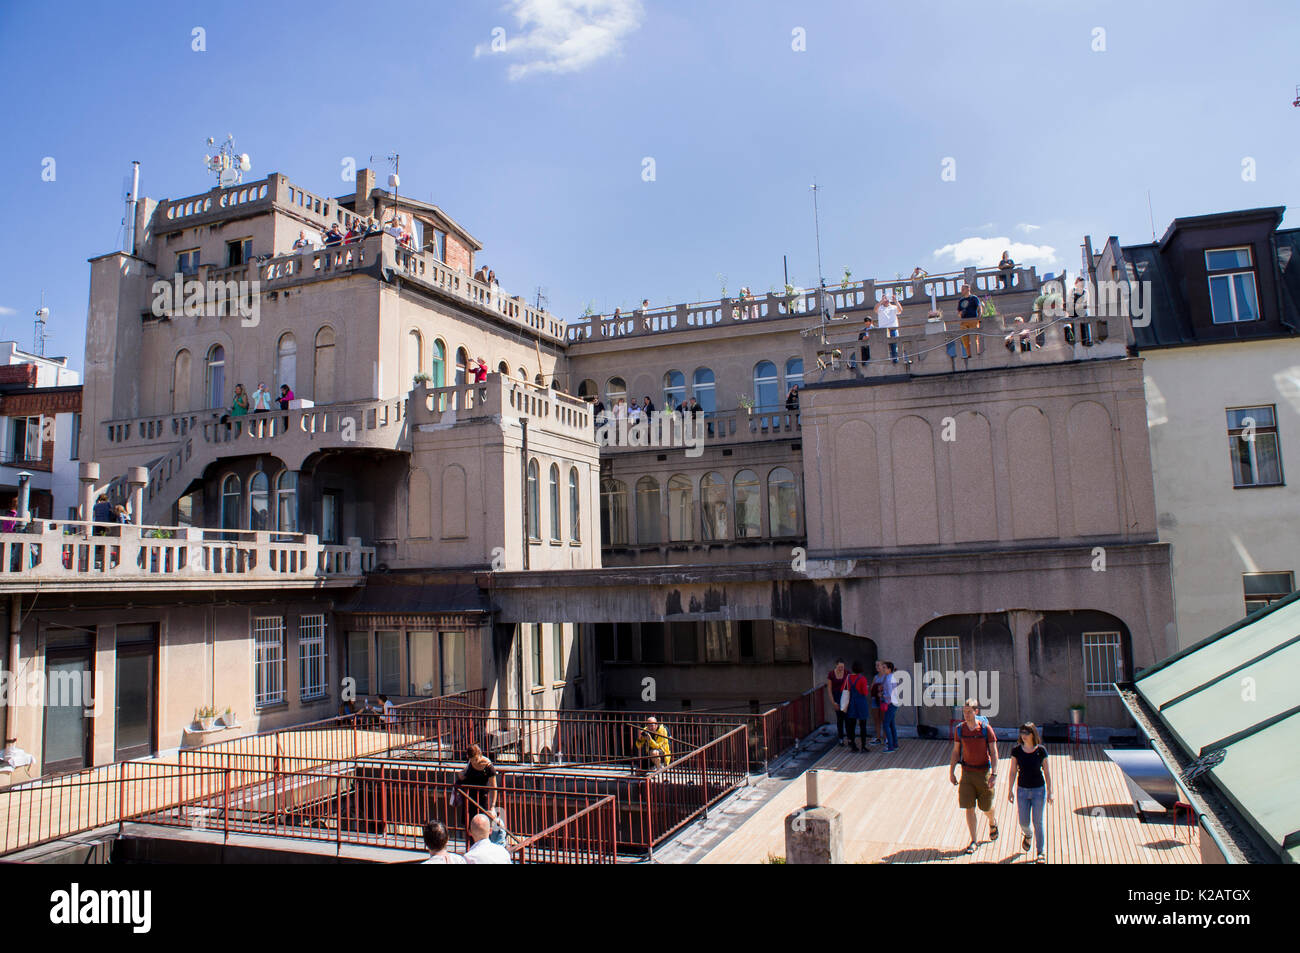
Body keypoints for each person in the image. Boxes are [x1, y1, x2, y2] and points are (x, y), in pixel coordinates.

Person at [950, 697, 999, 854]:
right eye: (964, 712)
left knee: (986, 807)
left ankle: (992, 822)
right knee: (969, 807)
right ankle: (973, 840)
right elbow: (956, 751)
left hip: (983, 773)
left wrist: (994, 774)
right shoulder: (960, 729)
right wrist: (951, 771)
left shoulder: (985, 729)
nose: (966, 715)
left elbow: (994, 752)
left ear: (976, 712)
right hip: (967, 774)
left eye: (969, 712)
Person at [1006, 722, 1052, 863]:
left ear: (1033, 734)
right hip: (1022, 791)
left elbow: (1047, 772)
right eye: (1022, 733)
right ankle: (1028, 834)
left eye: (1026, 733)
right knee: (1023, 821)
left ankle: (1040, 852)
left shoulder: (1041, 751)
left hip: (1039, 790)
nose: (1023, 736)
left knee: (1038, 821)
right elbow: (1013, 771)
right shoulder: (1017, 751)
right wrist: (1010, 790)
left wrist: (1050, 791)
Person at [454, 744, 497, 817]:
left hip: (482, 799)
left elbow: (494, 788)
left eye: (476, 759)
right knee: (469, 822)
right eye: (472, 760)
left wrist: (493, 806)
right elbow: (464, 774)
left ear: (480, 755)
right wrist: (460, 774)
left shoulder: (488, 767)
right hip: (468, 797)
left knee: (481, 823)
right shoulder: (470, 763)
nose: (474, 762)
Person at [844, 661, 873, 752]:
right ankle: (863, 746)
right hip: (861, 702)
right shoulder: (862, 678)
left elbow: (847, 690)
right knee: (862, 725)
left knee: (852, 725)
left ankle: (853, 745)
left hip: (852, 702)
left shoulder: (848, 678)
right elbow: (865, 692)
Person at [956, 283, 983, 358]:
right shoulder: (961, 300)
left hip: (973, 320)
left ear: (968, 289)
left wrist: (979, 317)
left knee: (974, 338)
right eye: (961, 289)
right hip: (964, 321)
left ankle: (976, 353)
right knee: (965, 339)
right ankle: (969, 354)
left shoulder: (974, 298)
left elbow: (979, 308)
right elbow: (958, 312)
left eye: (963, 289)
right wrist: (960, 313)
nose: (962, 291)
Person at [827, 659, 849, 747]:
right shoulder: (831, 674)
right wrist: (833, 703)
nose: (841, 668)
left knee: (847, 719)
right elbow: (829, 689)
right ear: (836, 666)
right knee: (839, 719)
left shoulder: (847, 673)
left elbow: (849, 686)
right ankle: (841, 738)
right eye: (839, 667)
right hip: (836, 697)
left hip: (845, 697)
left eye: (842, 667)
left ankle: (849, 738)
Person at [875, 293, 901, 364]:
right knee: (884, 347)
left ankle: (895, 361)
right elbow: (875, 309)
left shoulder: (893, 307)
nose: (886, 300)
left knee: (894, 346)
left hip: (893, 329)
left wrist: (895, 301)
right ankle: (885, 362)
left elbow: (900, 310)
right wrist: (881, 301)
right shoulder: (880, 308)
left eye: (887, 299)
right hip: (883, 330)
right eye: (885, 298)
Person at [879, 661, 899, 753]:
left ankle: (890, 746)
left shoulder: (888, 678)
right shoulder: (891, 677)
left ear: (889, 669)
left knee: (886, 724)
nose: (882, 669)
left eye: (884, 667)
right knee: (891, 724)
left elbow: (890, 693)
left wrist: (882, 696)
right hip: (894, 703)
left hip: (890, 703)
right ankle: (895, 744)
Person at [869, 660, 887, 745]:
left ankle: (886, 737)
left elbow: (887, 689)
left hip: (883, 700)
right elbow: (872, 687)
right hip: (875, 699)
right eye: (876, 665)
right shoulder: (875, 677)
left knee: (884, 719)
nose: (877, 667)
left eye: (878, 665)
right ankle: (878, 737)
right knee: (876, 719)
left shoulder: (886, 677)